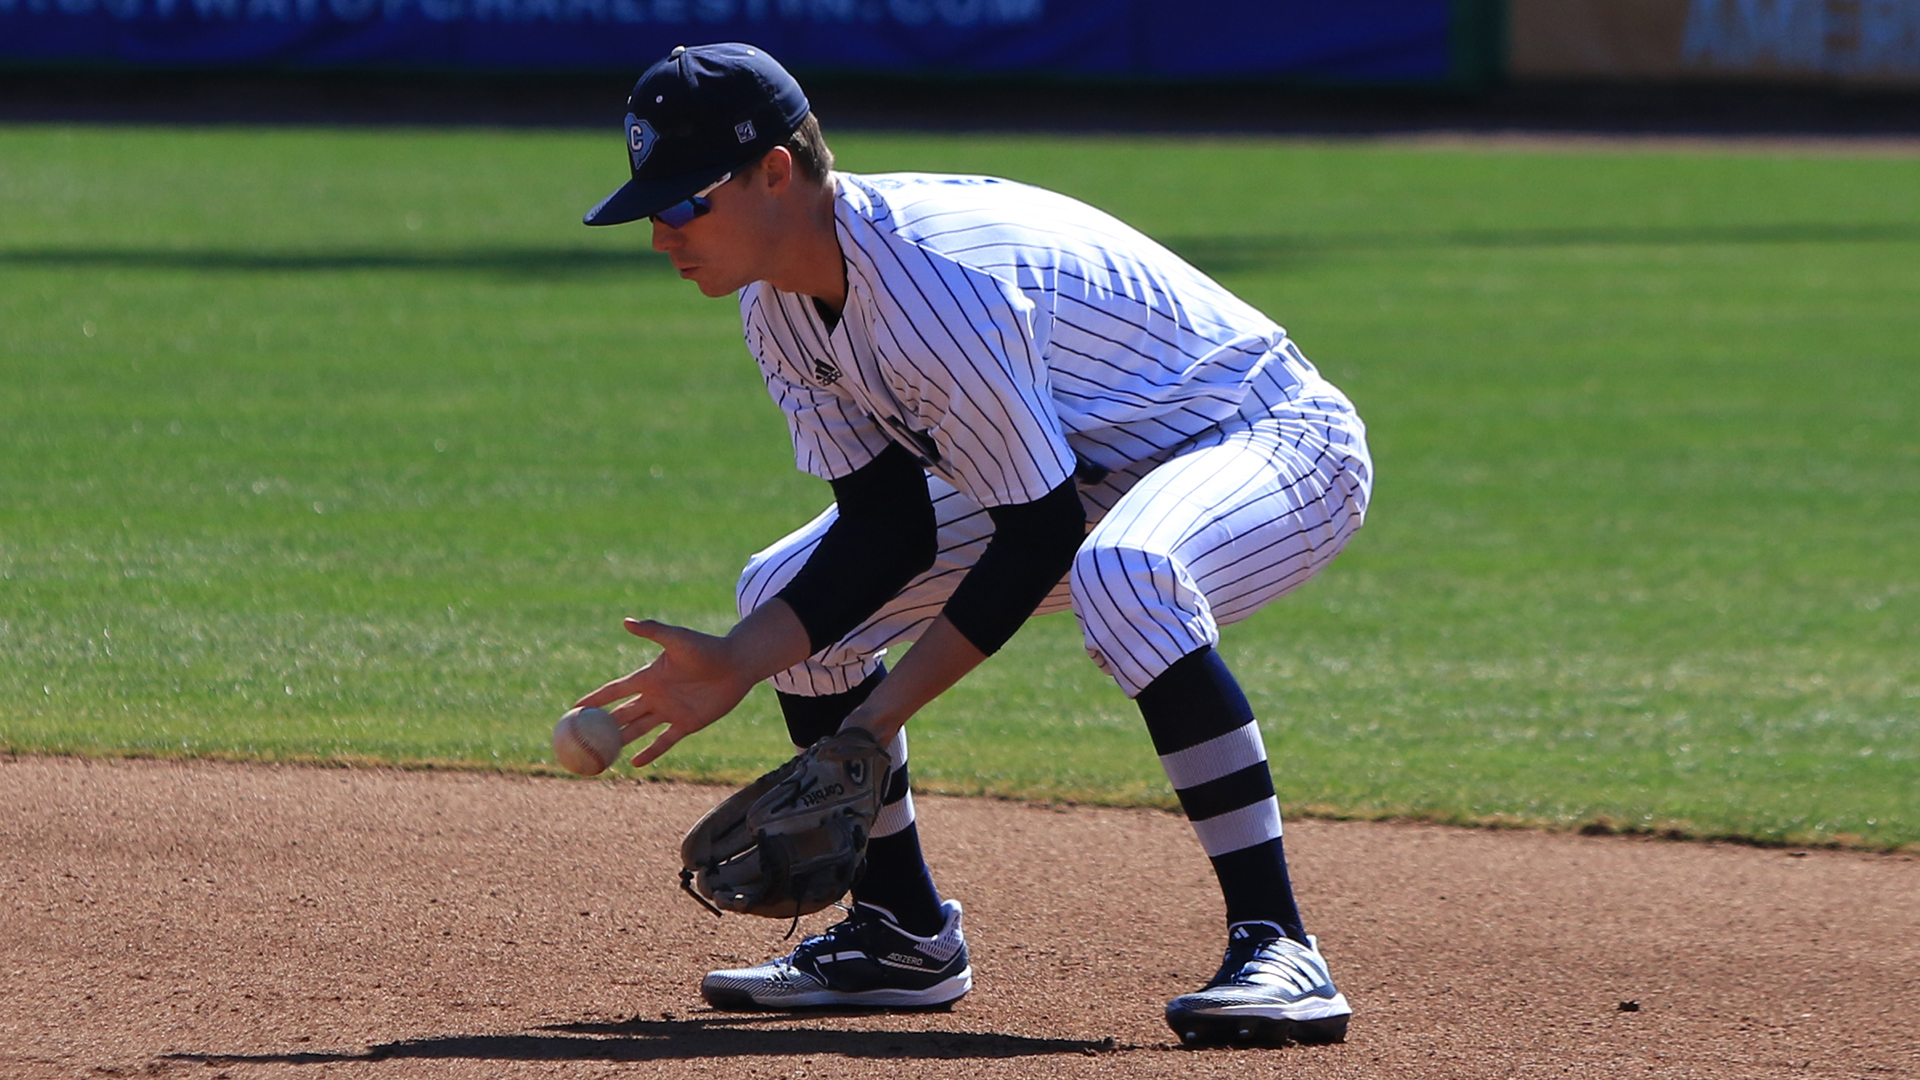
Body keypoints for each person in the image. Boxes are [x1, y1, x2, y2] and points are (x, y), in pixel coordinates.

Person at [572, 42, 1372, 1047]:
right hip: (1085, 469)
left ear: (775, 170)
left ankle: (1279, 946)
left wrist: (872, 726)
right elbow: (887, 527)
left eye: (686, 200)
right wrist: (738, 662)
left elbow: (1036, 537)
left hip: (1267, 439)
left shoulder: (934, 281)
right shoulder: (776, 303)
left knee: (1127, 575)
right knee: (782, 591)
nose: (662, 233)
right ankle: (899, 936)